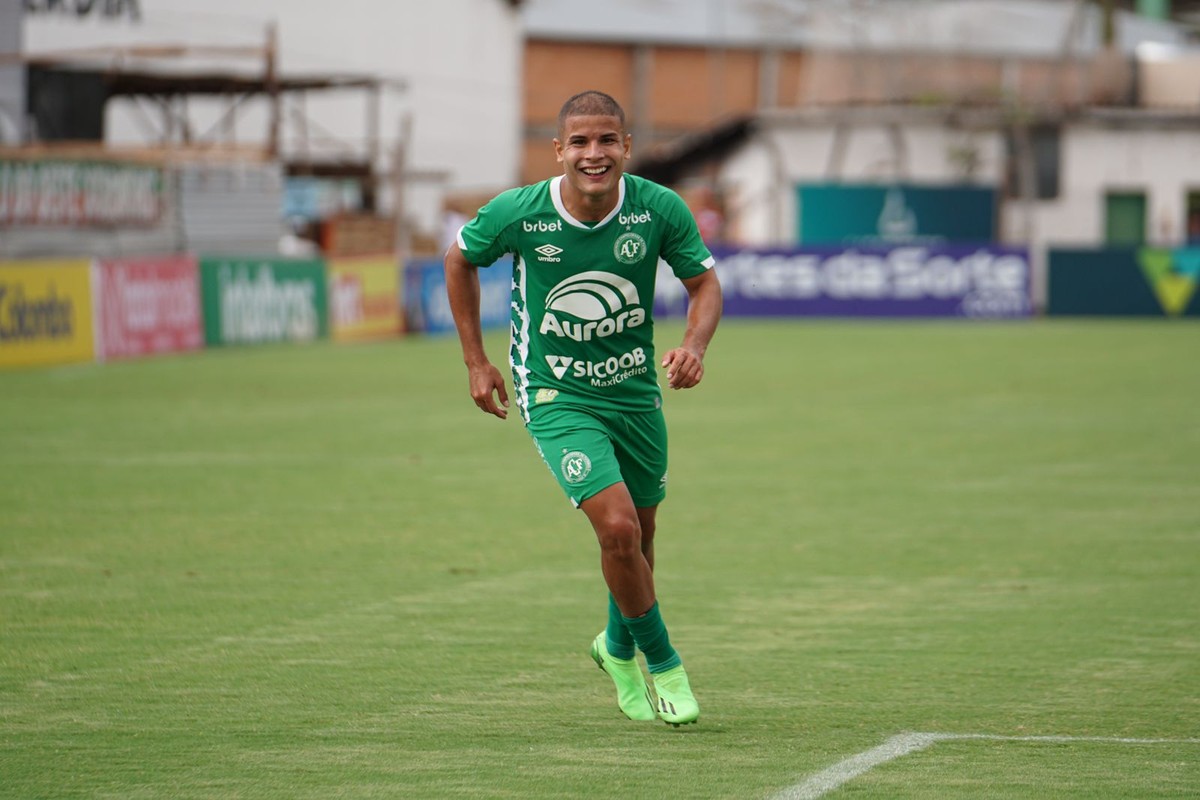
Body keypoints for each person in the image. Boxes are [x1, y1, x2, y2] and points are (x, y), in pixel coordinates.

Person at [443, 90, 722, 726]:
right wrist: (475, 361)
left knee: (640, 541)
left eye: (605, 141)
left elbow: (704, 283)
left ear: (625, 146)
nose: (592, 154)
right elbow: (459, 258)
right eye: (579, 142)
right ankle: (665, 665)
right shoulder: (521, 213)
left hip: (635, 394)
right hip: (555, 392)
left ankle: (615, 647)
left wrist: (695, 345)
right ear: (559, 151)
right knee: (618, 529)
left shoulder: (659, 209)